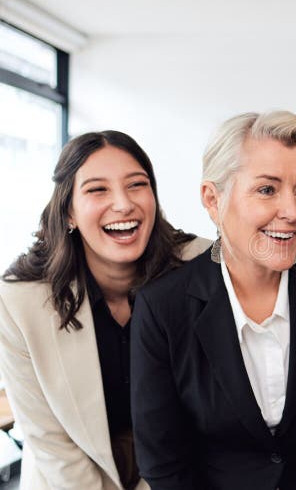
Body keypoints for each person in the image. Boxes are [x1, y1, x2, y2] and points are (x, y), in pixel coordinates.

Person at [130, 111, 296, 489]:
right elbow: (165, 462)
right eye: (267, 190)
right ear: (212, 199)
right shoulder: (163, 308)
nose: (292, 213)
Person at [0, 131, 208, 490]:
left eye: (137, 185)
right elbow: (48, 441)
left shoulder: (200, 269)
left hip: (177, 473)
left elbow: (209, 413)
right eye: (98, 190)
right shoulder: (20, 299)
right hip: (66, 477)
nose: (123, 204)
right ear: (69, 212)